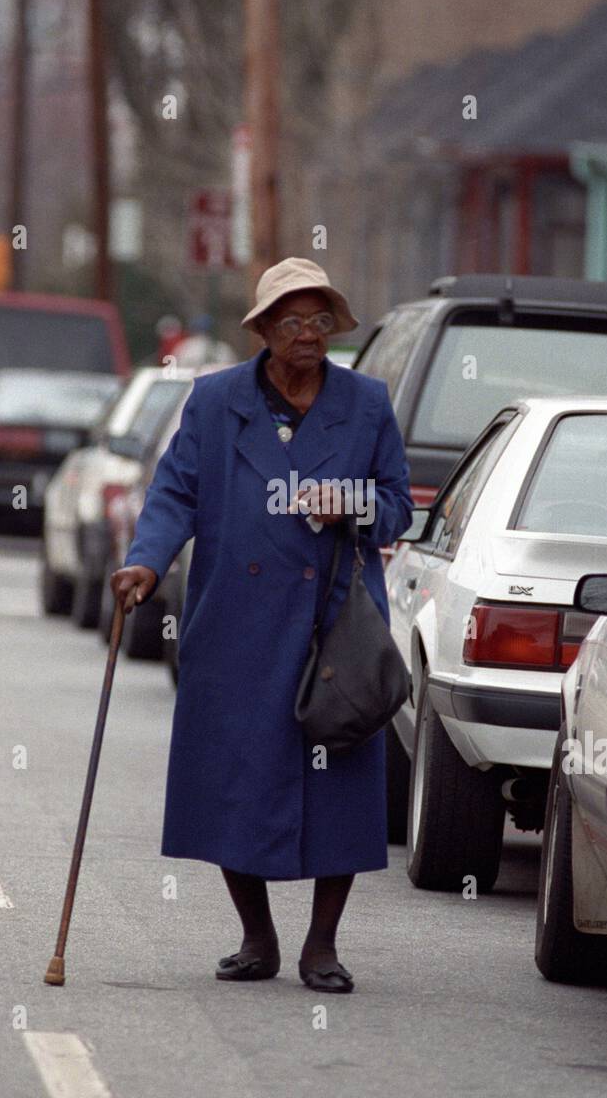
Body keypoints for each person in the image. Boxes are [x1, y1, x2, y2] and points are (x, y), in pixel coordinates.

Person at [111, 257, 413, 993]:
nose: (306, 335)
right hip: (236, 624)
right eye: (290, 321)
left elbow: (400, 506)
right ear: (264, 331)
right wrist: (146, 564)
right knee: (229, 775)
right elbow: (174, 492)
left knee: (339, 779)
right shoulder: (215, 403)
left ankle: (321, 945)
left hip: (331, 627)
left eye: (318, 322)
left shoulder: (365, 404)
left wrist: (352, 504)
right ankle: (257, 938)